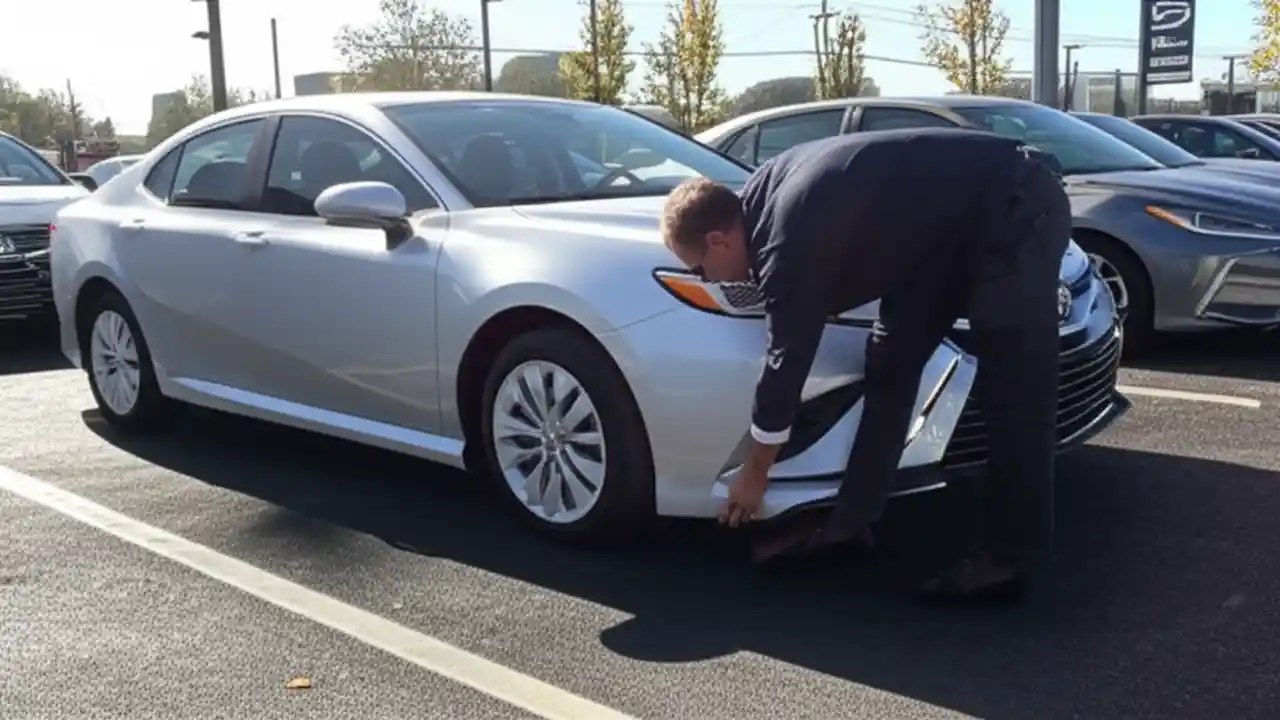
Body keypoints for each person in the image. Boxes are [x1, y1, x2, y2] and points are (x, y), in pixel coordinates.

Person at [659, 127, 1071, 602]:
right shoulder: (759, 198)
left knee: (1013, 388)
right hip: (938, 240)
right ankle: (851, 524)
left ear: (718, 240)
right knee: (890, 363)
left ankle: (1006, 560)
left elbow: (786, 361)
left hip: (1015, 208)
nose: (705, 280)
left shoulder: (786, 241)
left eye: (697, 269)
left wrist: (756, 472)